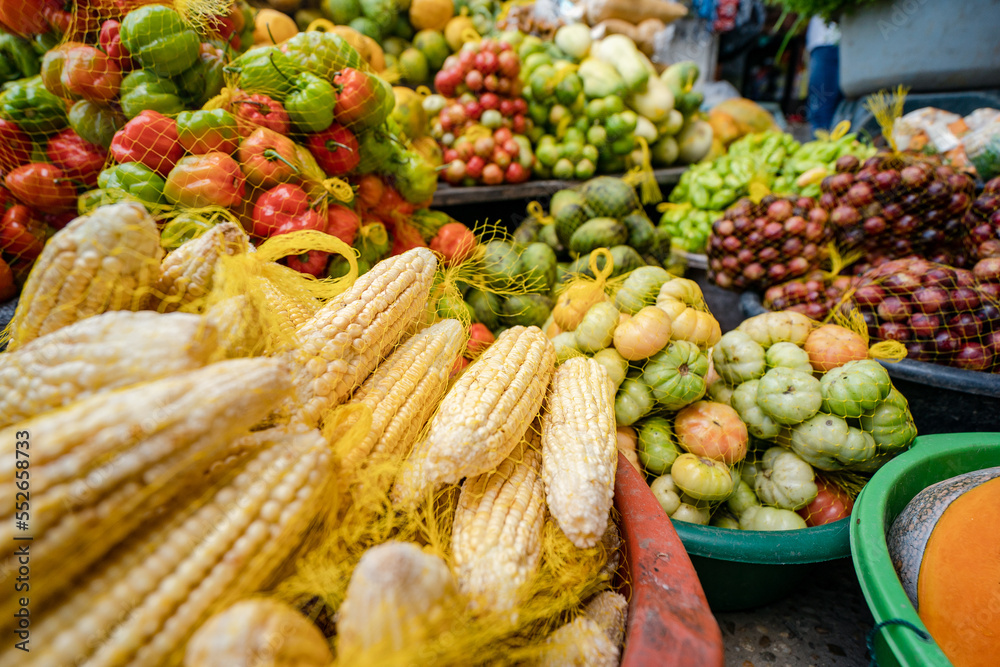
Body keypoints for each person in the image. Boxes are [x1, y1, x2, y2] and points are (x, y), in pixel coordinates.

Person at [805, 16, 843, 132]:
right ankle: (824, 139)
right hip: (828, 42)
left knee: (822, 107)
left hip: (828, 43)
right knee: (824, 106)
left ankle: (824, 138)